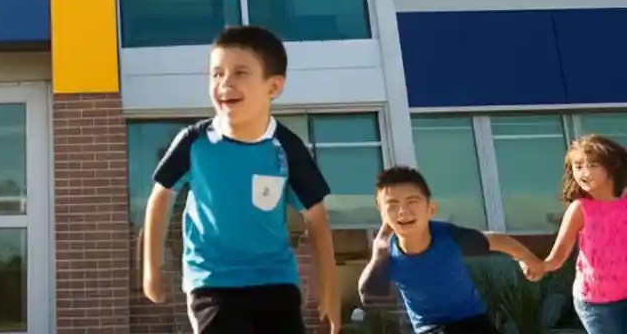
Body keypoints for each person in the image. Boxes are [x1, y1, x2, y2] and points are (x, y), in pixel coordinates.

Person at [141, 25, 341, 334]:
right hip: (213, 282)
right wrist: (151, 268)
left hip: (275, 280)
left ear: (273, 87)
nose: (225, 84)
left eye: (240, 73)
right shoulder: (194, 142)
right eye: (217, 74)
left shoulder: (287, 148)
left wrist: (329, 291)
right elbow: (160, 196)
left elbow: (316, 218)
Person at [358, 166, 542, 333]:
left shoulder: (450, 237)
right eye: (392, 205)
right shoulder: (386, 252)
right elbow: (367, 295)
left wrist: (528, 259)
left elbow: (496, 240)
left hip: (473, 322)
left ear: (431, 208)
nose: (403, 212)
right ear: (381, 211)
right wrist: (377, 255)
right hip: (431, 328)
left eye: (412, 201)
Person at [529, 134, 627, 333]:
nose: (584, 172)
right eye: (578, 166)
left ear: (613, 165)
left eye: (592, 165)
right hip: (597, 303)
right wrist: (542, 266)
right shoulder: (580, 209)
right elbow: (559, 254)